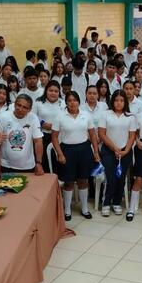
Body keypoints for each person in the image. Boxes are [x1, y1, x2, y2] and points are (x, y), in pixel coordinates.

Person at [51, 91, 99, 221]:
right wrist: (59, 153)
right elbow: (54, 137)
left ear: (79, 102)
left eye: (75, 100)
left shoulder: (86, 115)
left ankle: (84, 208)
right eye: (70, 100)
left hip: (84, 149)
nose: (72, 103)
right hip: (67, 150)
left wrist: (95, 152)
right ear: (66, 102)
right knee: (69, 181)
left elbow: (93, 134)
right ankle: (67, 210)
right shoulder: (60, 116)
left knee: (83, 180)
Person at [97, 91, 136, 217]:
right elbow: (102, 134)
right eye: (116, 100)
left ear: (125, 102)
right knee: (111, 177)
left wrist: (126, 150)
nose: (118, 103)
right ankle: (106, 203)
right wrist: (114, 148)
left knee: (121, 177)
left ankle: (117, 202)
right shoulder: (105, 114)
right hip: (109, 151)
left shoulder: (130, 116)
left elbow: (132, 136)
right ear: (112, 101)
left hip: (125, 151)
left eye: (121, 100)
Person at [0, 94, 45, 175]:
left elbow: (38, 141)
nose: (20, 109)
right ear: (14, 104)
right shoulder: (3, 117)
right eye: (18, 105)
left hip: (27, 166)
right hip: (5, 165)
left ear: (30, 109)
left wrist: (38, 163)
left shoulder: (33, 118)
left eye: (25, 107)